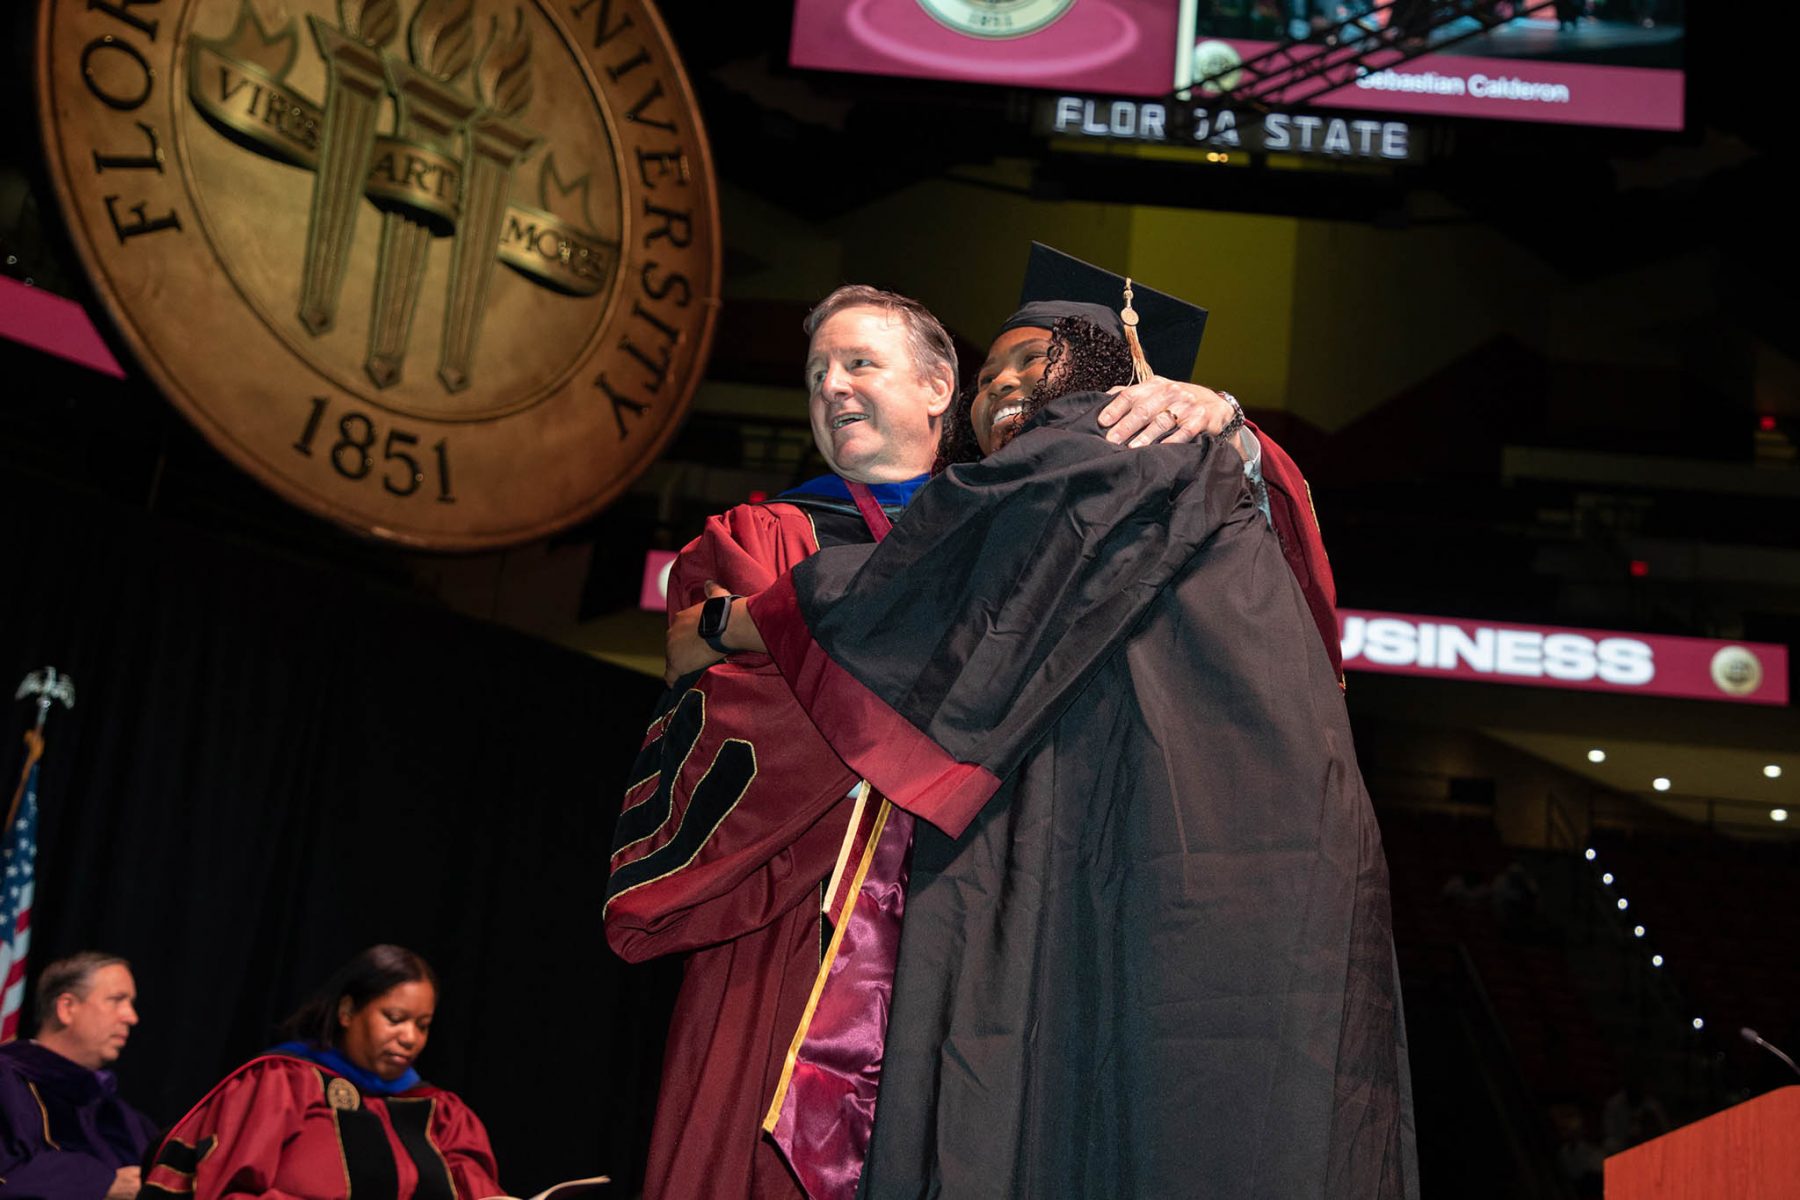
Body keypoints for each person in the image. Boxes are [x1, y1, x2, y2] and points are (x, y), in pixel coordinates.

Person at [683, 299, 1414, 1195]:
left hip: (1192, 837)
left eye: (1033, 362)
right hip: (1122, 839)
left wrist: (735, 623)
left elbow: (903, 596)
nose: (1006, 389)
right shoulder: (1121, 469)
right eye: (990, 380)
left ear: (1106, 370)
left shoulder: (1113, 453)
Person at [139, 945, 502, 1200]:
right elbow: (230, 1190)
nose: (410, 1038)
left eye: (422, 1025)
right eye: (394, 1019)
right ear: (347, 1012)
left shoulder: (442, 1115)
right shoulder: (284, 1083)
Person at [0, 952, 159, 1200]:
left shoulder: (125, 1118)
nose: (131, 1017)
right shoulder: (8, 1080)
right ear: (67, 1008)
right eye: (117, 1000)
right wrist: (103, 1184)